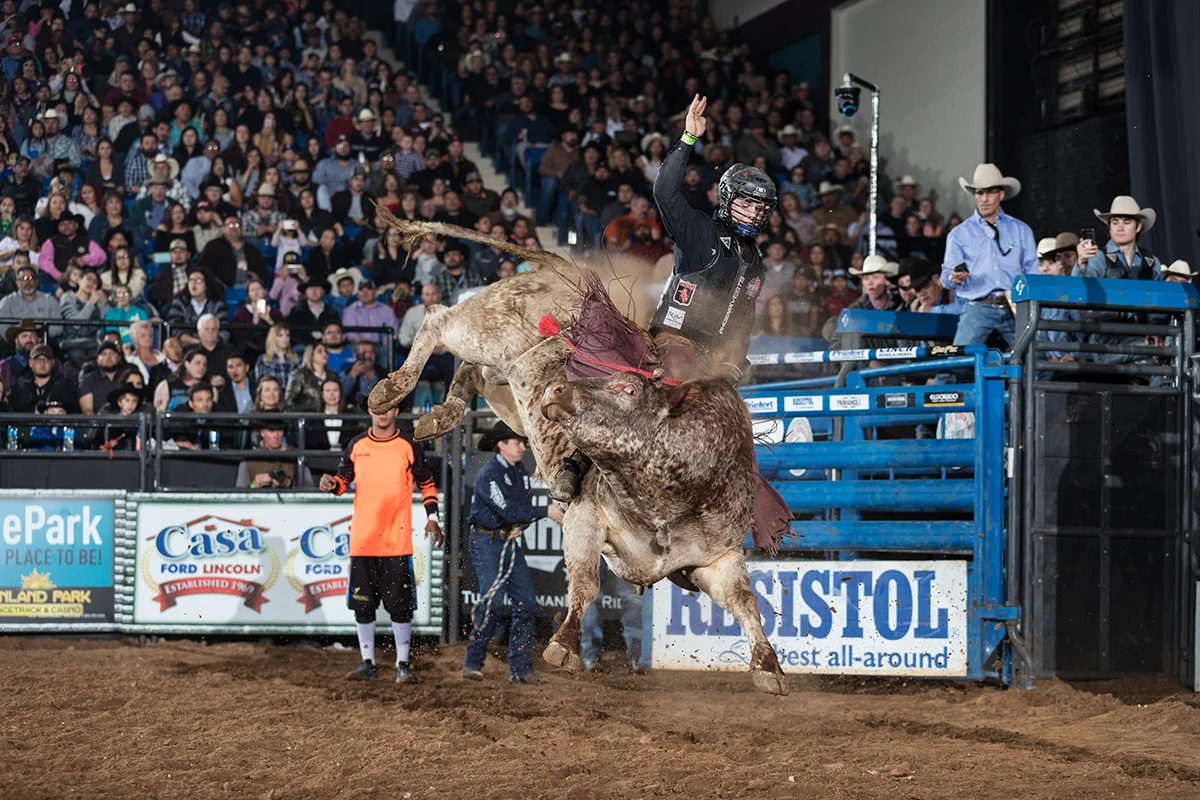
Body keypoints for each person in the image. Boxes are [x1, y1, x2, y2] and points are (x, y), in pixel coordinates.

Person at [550, 95, 776, 502]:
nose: (753, 213)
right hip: (669, 341)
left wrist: (734, 363)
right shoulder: (700, 233)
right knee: (634, 393)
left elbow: (743, 319)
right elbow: (665, 191)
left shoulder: (755, 263)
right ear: (727, 199)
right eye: (745, 202)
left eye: (760, 208)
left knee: (732, 427)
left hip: (712, 360)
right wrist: (689, 136)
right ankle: (576, 462)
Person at [320, 394, 442, 684]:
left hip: (396, 542)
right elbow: (342, 482)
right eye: (377, 408)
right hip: (363, 542)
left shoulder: (408, 445)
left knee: (400, 606)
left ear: (396, 410)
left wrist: (433, 518)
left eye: (388, 407)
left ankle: (402, 663)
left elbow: (426, 482)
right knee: (363, 605)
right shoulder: (357, 445)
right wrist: (331, 485)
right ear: (369, 411)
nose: (383, 413)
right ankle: (367, 662)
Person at [462, 422, 564, 684]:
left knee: (526, 604)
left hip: (503, 539)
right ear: (502, 445)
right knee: (494, 602)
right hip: (487, 540)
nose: (522, 446)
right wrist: (544, 512)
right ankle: (473, 662)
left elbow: (518, 509)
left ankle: (520, 669)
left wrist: (519, 524)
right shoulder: (489, 474)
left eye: (523, 442)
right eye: (516, 442)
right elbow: (509, 509)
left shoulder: (516, 469)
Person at [940, 163, 1037, 348]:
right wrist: (954, 277)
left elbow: (1032, 273)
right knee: (956, 362)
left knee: (1037, 357)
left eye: (990, 192)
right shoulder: (959, 234)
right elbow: (945, 278)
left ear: (1001, 194)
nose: (984, 199)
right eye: (979, 193)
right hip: (978, 305)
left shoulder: (1021, 230)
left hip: (1015, 304)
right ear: (974, 195)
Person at [236, 420, 315, 489]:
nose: (276, 435)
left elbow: (310, 488)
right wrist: (254, 485)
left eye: (279, 430)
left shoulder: (296, 456)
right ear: (262, 432)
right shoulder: (249, 460)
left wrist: (289, 483)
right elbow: (237, 496)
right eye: (271, 430)